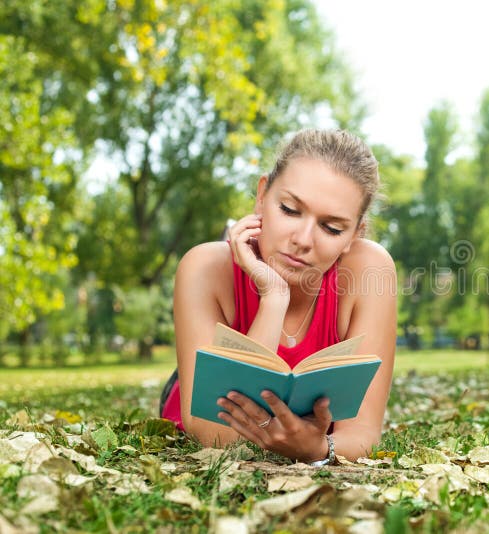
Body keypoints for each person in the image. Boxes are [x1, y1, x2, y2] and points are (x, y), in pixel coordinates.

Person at [160, 129, 397, 464]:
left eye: (332, 228)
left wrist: (316, 449)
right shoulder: (204, 267)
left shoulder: (370, 270)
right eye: (289, 209)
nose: (302, 239)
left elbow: (363, 435)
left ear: (354, 235)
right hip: (188, 401)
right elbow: (217, 435)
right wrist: (273, 297)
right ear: (262, 195)